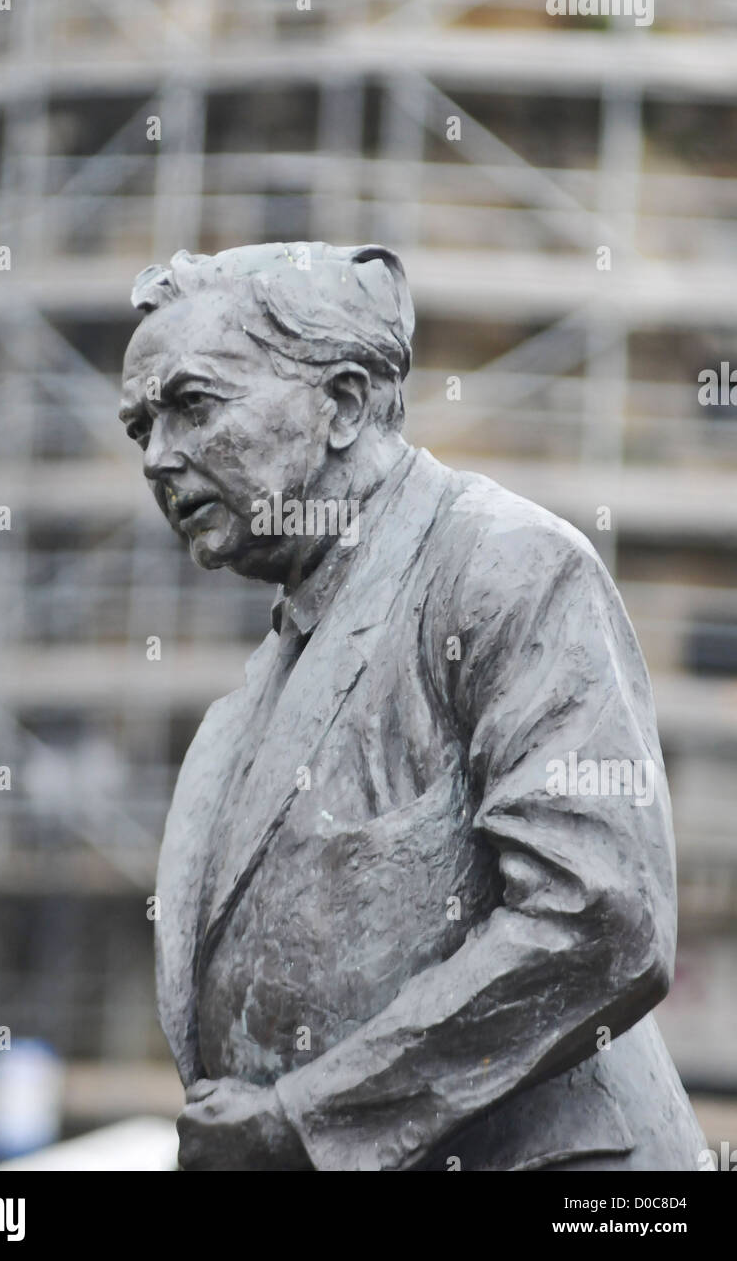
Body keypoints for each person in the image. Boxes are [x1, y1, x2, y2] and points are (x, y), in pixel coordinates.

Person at [119, 241, 707, 1172]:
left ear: (343, 404)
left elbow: (601, 916)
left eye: (193, 406)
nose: (159, 457)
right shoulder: (242, 707)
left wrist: (308, 1120)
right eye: (140, 428)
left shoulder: (501, 563)